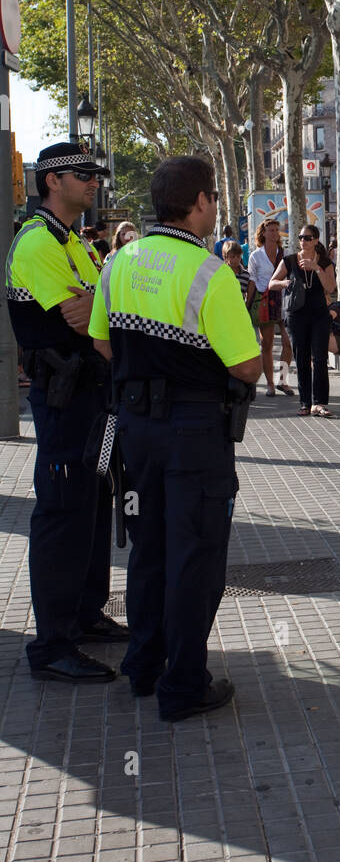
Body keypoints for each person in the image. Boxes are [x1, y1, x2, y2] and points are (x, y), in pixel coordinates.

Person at [89, 155, 261, 720]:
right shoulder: (209, 272)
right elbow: (247, 366)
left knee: (148, 553)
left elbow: (102, 344)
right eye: (213, 198)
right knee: (195, 557)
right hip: (193, 437)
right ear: (201, 203)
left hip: (135, 433)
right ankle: (184, 685)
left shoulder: (117, 264)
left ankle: (143, 666)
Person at [4, 141, 125, 684]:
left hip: (93, 400)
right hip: (63, 402)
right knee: (61, 514)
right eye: (84, 175)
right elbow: (86, 320)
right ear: (53, 180)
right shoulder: (36, 243)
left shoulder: (70, 240)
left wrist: (97, 303)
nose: (94, 182)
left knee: (95, 503)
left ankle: (84, 615)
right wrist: (99, 305)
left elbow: (97, 306)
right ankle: (51, 645)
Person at [270, 225, 336, 417]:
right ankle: (305, 403)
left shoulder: (324, 262)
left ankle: (319, 402)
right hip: (296, 315)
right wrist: (285, 283)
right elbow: (271, 283)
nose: (303, 241)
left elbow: (331, 287)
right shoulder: (290, 260)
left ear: (316, 240)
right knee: (301, 359)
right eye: (301, 237)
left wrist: (316, 268)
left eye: (307, 237)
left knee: (320, 358)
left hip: (319, 315)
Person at [247, 219, 294, 396]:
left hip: (285, 301)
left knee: (288, 343)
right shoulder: (255, 256)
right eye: (271, 230)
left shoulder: (286, 253)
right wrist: (247, 305)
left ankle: (283, 381)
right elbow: (252, 281)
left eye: (276, 230)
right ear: (263, 233)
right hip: (265, 302)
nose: (274, 233)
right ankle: (269, 384)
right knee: (266, 344)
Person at [222, 239, 251, 303]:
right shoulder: (221, 274)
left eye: (238, 256)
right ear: (226, 257)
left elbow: (248, 294)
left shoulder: (246, 275)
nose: (236, 259)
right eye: (233, 257)